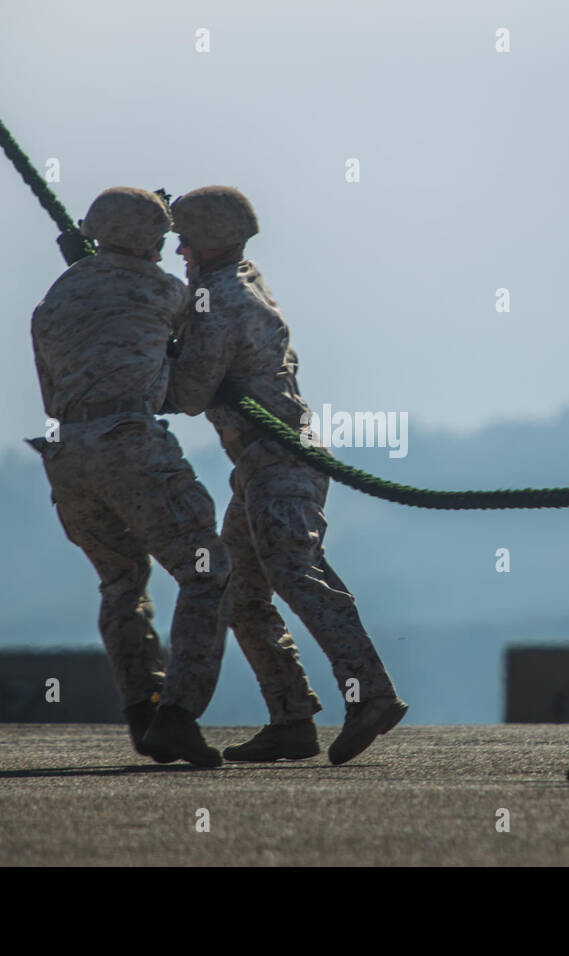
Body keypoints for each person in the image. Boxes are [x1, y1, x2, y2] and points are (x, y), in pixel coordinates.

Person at [165, 185, 407, 765]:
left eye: (184, 240)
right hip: (260, 464)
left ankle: (370, 693)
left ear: (207, 241)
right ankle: (292, 717)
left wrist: (138, 341)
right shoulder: (232, 281)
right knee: (240, 593)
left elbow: (190, 394)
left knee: (295, 572)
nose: (177, 252)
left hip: (277, 461)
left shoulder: (222, 301)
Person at [30, 186, 230, 767]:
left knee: (121, 582)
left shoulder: (55, 299)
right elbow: (186, 394)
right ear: (152, 243)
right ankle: (178, 714)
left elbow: (55, 385)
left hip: (67, 453)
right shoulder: (169, 291)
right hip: (130, 446)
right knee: (206, 572)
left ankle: (143, 712)